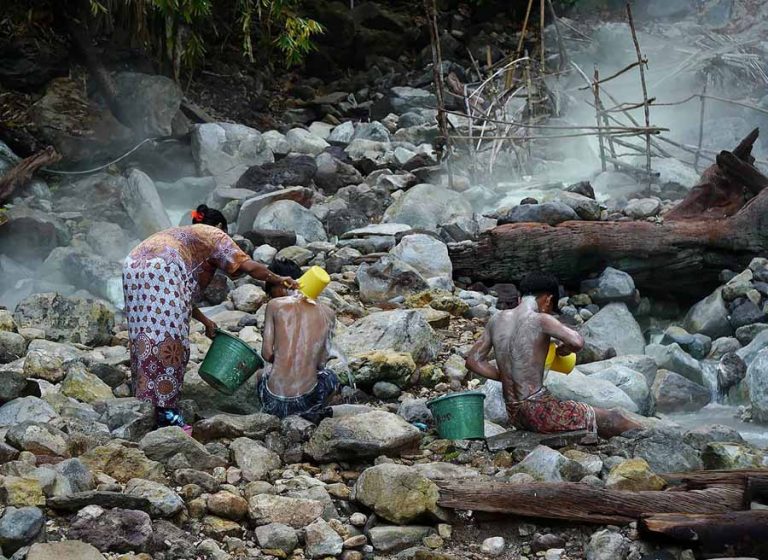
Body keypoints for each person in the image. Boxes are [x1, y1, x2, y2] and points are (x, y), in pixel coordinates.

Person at [122, 205, 299, 432]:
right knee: (172, 342)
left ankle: (146, 402)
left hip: (134, 264)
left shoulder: (187, 237)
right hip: (162, 268)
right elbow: (249, 266)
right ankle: (167, 414)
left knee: (146, 334)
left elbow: (180, 300)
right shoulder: (215, 234)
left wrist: (206, 322)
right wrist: (278, 278)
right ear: (220, 226)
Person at [466, 272, 643, 440]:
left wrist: (508, 376)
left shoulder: (496, 320)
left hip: (514, 413)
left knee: (583, 415)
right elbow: (577, 341)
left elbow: (473, 361)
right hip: (539, 411)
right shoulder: (541, 319)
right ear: (548, 300)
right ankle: (651, 436)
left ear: (520, 298)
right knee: (614, 418)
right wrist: (564, 350)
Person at [258, 259, 340, 423]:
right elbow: (321, 363)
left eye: (272, 291)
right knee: (331, 377)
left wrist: (282, 359)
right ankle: (314, 413)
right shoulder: (329, 313)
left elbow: (266, 354)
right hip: (308, 399)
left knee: (260, 373)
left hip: (273, 399)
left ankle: (272, 416)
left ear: (283, 285)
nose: (271, 296)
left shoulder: (274, 305)